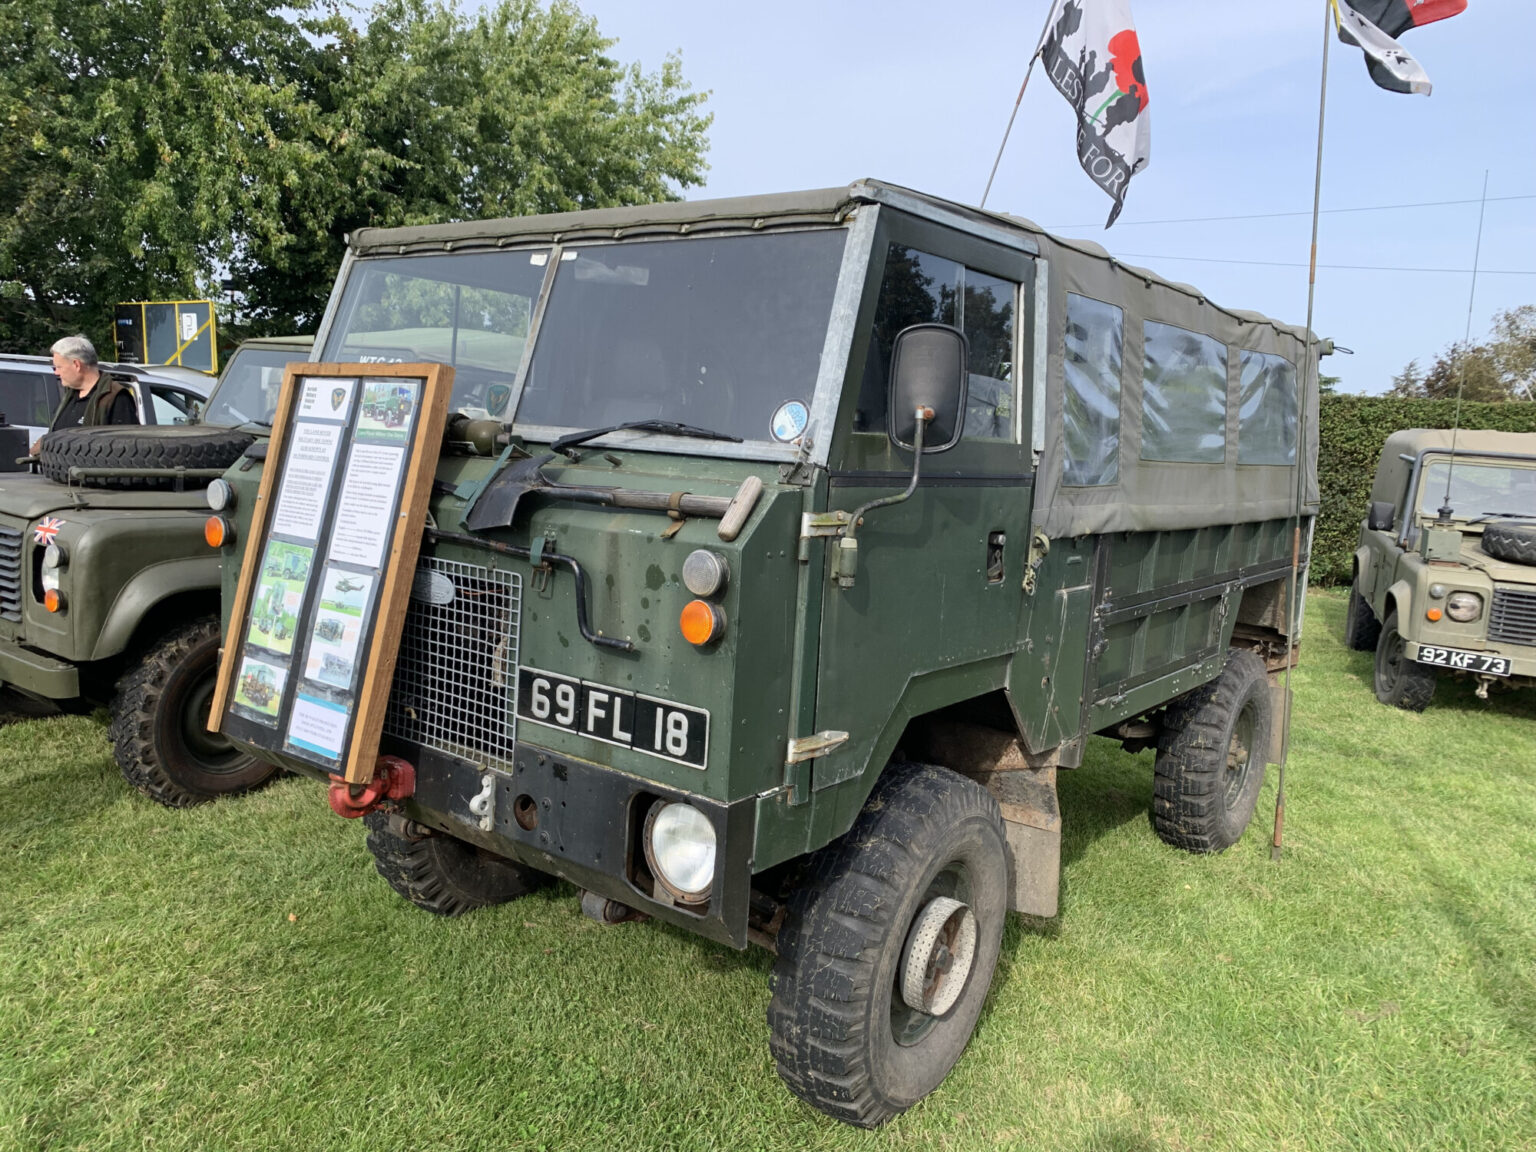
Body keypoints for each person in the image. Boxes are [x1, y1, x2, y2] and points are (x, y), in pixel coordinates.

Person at [32, 335, 138, 452]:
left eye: (58, 367)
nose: (56, 373)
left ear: (77, 365)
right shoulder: (69, 395)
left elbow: (126, 448)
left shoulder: (116, 397)